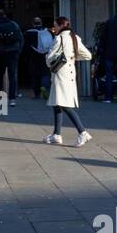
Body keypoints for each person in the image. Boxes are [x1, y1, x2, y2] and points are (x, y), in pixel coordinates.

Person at [44, 17, 93, 147]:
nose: (54, 28)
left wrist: (52, 58)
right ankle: (56, 134)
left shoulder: (59, 38)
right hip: (70, 73)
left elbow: (49, 59)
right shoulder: (75, 37)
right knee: (57, 103)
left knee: (64, 105)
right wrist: (71, 57)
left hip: (60, 74)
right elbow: (88, 55)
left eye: (55, 26)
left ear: (61, 26)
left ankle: (82, 132)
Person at [0, 9, 24, 104]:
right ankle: (12, 99)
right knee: (12, 76)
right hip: (13, 53)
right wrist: (18, 51)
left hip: (0, 54)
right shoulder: (14, 24)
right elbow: (21, 39)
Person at [25, 16, 54, 99]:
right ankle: (44, 87)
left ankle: (36, 93)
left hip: (34, 56)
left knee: (35, 73)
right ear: (41, 23)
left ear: (33, 23)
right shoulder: (48, 31)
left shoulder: (29, 32)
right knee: (46, 72)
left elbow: (26, 46)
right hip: (46, 55)